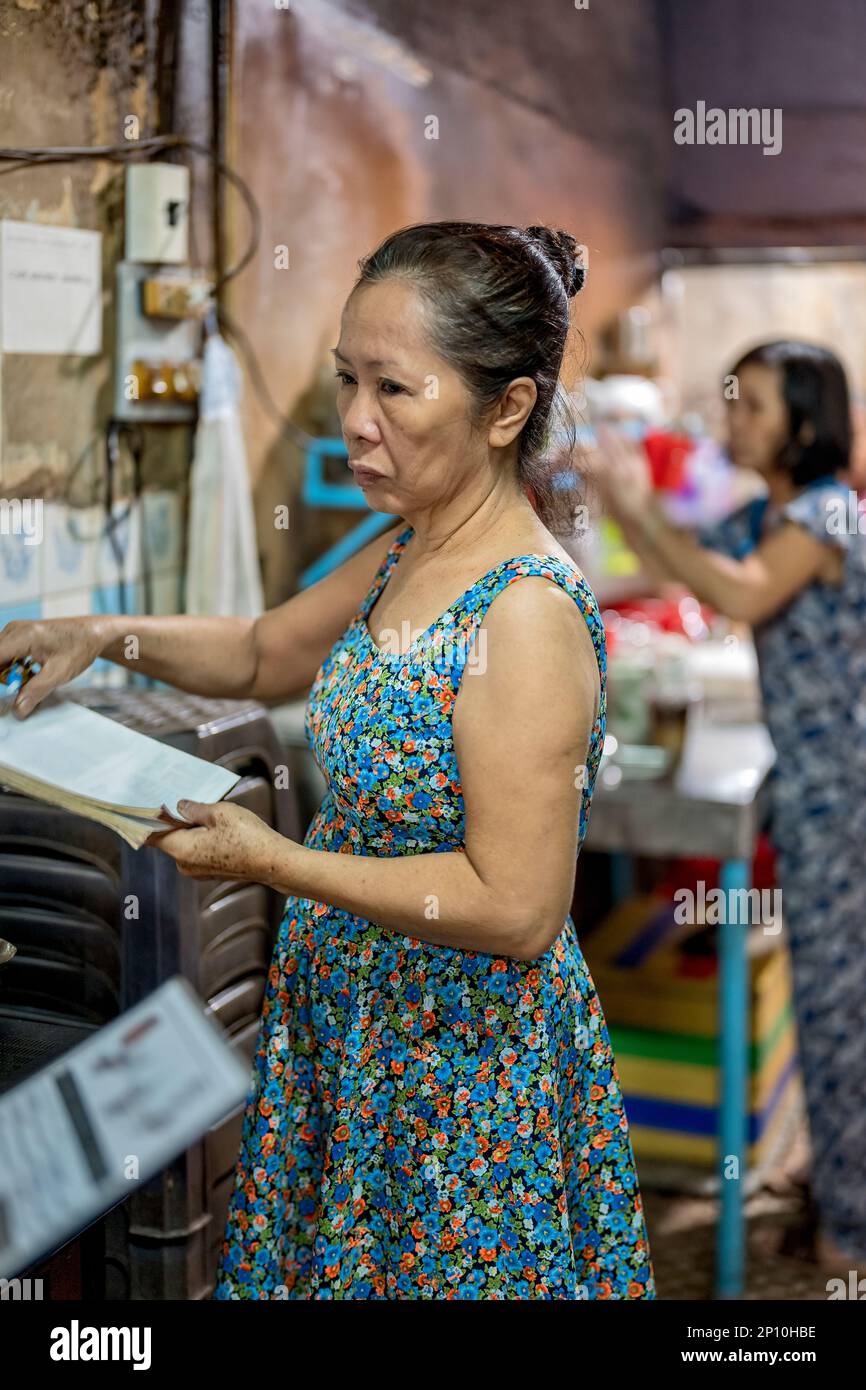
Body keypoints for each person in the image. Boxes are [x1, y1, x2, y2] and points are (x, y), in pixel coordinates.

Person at [0, 221, 655, 1301]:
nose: (356, 422)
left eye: (396, 391)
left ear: (506, 408)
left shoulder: (523, 611)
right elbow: (265, 651)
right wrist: (95, 632)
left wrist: (274, 861)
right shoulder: (411, 545)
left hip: (456, 1076)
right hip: (357, 1027)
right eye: (349, 380)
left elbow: (515, 905)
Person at [594, 339, 866, 1274]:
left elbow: (740, 594)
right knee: (834, 994)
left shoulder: (827, 515)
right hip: (819, 788)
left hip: (849, 796)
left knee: (841, 1005)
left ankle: (850, 1234)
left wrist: (634, 503)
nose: (732, 419)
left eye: (752, 406)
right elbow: (685, 573)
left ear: (805, 420)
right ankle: (838, 1182)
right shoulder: (768, 512)